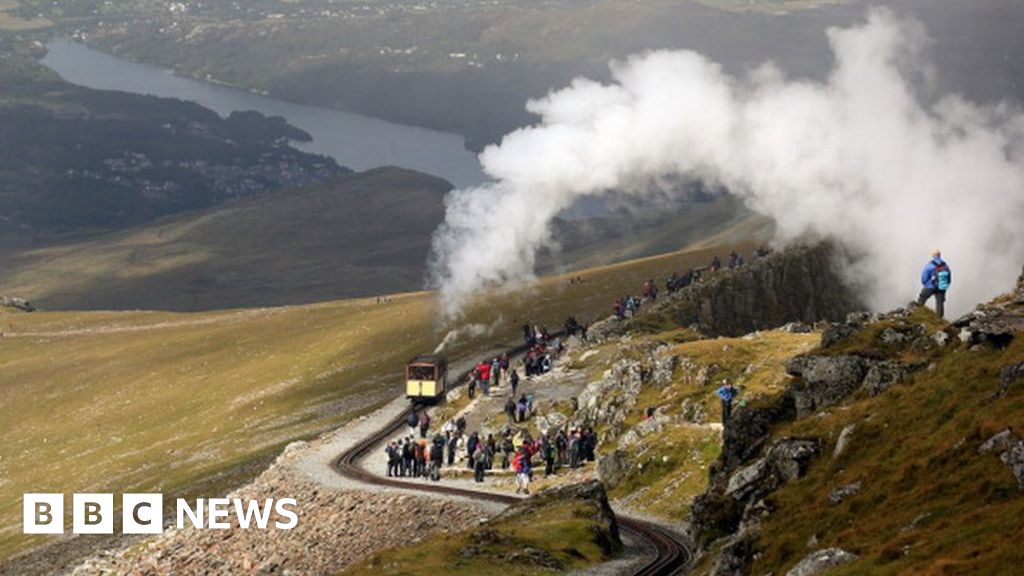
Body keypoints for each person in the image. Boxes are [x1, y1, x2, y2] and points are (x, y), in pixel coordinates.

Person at [917, 250, 952, 318]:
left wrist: (926, 284)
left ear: (933, 256)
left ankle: (918, 314)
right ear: (939, 255)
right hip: (941, 286)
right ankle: (939, 319)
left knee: (922, 298)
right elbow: (949, 276)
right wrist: (945, 285)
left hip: (930, 286)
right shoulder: (945, 265)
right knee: (940, 303)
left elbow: (924, 276)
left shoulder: (930, 265)